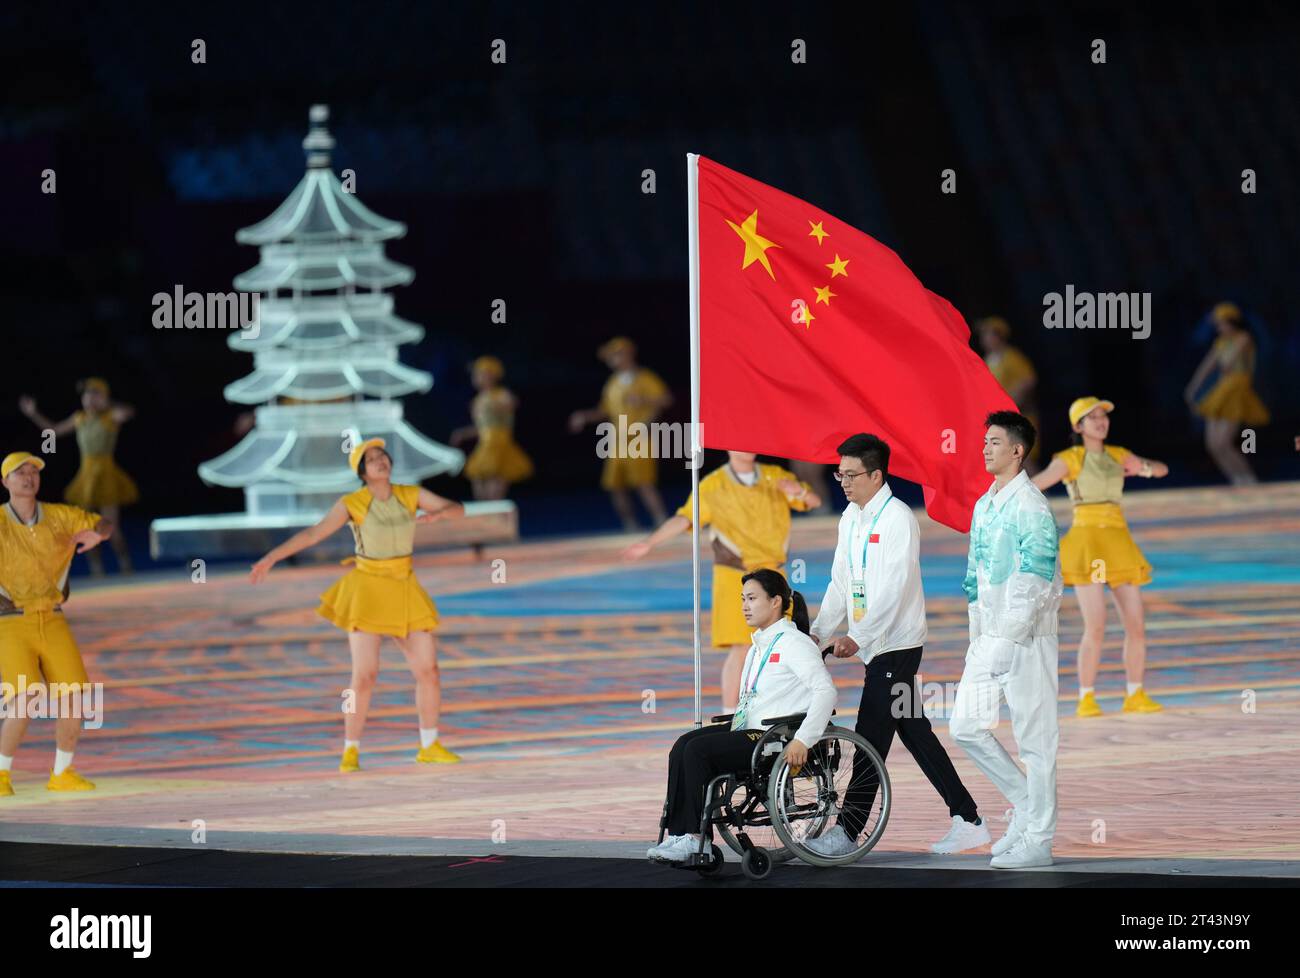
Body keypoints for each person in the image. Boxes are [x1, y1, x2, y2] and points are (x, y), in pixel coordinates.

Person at [801, 434, 988, 859]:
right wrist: (818, 631)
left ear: (876, 474)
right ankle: (968, 819)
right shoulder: (850, 517)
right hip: (874, 645)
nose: (842, 482)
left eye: (850, 475)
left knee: (872, 735)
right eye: (839, 473)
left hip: (898, 645)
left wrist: (858, 636)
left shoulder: (898, 519)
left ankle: (848, 831)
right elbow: (840, 583)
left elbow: (893, 588)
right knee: (914, 730)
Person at [250, 438, 465, 771]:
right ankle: (350, 749)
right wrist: (271, 557)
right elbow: (313, 534)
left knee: (429, 670)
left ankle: (429, 744)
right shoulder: (353, 502)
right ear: (363, 473)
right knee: (364, 675)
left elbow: (457, 507)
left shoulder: (410, 494)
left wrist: (440, 515)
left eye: (383, 456)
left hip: (404, 587)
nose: (381, 461)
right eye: (372, 459)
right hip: (368, 590)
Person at [647, 568, 836, 864]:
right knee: (683, 744)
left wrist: (803, 740)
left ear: (775, 601)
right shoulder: (758, 646)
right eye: (742, 599)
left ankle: (698, 840)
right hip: (749, 730)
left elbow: (826, 692)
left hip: (774, 738)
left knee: (698, 751)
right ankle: (679, 834)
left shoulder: (794, 643)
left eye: (752, 598)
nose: (745, 606)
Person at [950, 411, 1063, 869]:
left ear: (1018, 450)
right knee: (965, 727)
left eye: (994, 442)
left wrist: (1009, 636)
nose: (985, 448)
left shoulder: (1031, 506)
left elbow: (1036, 577)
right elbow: (975, 575)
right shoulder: (986, 503)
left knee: (1036, 742)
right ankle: (1025, 806)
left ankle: (1040, 840)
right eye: (984, 442)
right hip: (989, 635)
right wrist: (979, 633)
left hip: (1029, 638)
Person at [621, 452, 819, 709]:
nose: (746, 447)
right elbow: (685, 518)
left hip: (773, 574)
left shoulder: (775, 475)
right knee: (740, 648)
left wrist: (799, 492)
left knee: (782, 642)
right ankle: (730, 713)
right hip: (735, 574)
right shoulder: (713, 485)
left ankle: (781, 707)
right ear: (728, 448)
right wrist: (650, 542)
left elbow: (814, 501)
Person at [1033, 398, 1168, 716]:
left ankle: (1135, 693)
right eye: (1091, 417)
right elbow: (1036, 484)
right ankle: (1086, 697)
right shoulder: (1071, 459)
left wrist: (1143, 468)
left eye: (1103, 416)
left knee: (1136, 624)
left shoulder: (1119, 455)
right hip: (1087, 542)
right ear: (1078, 427)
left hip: (1118, 541)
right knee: (1096, 624)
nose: (1100, 421)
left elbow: (1163, 469)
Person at [0, 452, 113, 796]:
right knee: (25, 697)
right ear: (5, 482)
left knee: (77, 697)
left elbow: (102, 522)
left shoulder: (61, 516)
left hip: (53, 618)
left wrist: (98, 534)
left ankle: (62, 773)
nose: (29, 476)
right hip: (10, 622)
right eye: (20, 472)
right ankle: (1, 775)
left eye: (34, 471)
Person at [18, 378, 138, 574]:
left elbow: (129, 411)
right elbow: (53, 431)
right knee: (86, 525)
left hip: (107, 474)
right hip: (86, 476)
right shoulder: (79, 418)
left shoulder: (110, 416)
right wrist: (33, 413)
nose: (89, 398)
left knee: (111, 526)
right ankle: (96, 567)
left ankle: (125, 563)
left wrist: (109, 404)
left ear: (104, 398)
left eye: (95, 394)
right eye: (86, 394)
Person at [568, 337, 672, 531]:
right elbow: (604, 410)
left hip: (639, 437)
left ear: (628, 354)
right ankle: (630, 525)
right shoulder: (613, 383)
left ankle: (661, 520)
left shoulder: (645, 378)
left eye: (615, 354)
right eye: (609, 356)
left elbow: (666, 400)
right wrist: (584, 416)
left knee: (643, 482)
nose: (611, 359)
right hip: (617, 439)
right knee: (615, 485)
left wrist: (643, 399)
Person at [1184, 302, 1269, 485]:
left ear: (1231, 322)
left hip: (1237, 389)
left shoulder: (1243, 338)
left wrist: (1223, 353)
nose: (1218, 328)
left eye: (1221, 323)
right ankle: (1237, 479)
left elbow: (1227, 364)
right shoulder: (1220, 342)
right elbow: (1207, 366)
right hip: (1223, 389)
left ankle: (1249, 479)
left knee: (1223, 442)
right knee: (1212, 445)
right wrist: (1192, 388)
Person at [450, 356, 534, 500]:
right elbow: (482, 427)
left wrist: (495, 404)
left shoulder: (501, 394)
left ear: (490, 375)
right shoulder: (477, 400)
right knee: (479, 491)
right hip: (485, 445)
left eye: (478, 373)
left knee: (494, 492)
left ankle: (497, 518)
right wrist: (463, 434)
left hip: (499, 445)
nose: (475, 377)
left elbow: (511, 404)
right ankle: (485, 519)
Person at [976, 317, 1040, 472]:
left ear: (999, 336)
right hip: (999, 419)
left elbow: (1029, 379)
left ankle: (1042, 491)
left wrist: (1011, 399)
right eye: (983, 335)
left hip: (1018, 416)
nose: (984, 339)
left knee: (1024, 456)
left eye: (988, 334)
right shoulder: (988, 360)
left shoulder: (1010, 357)